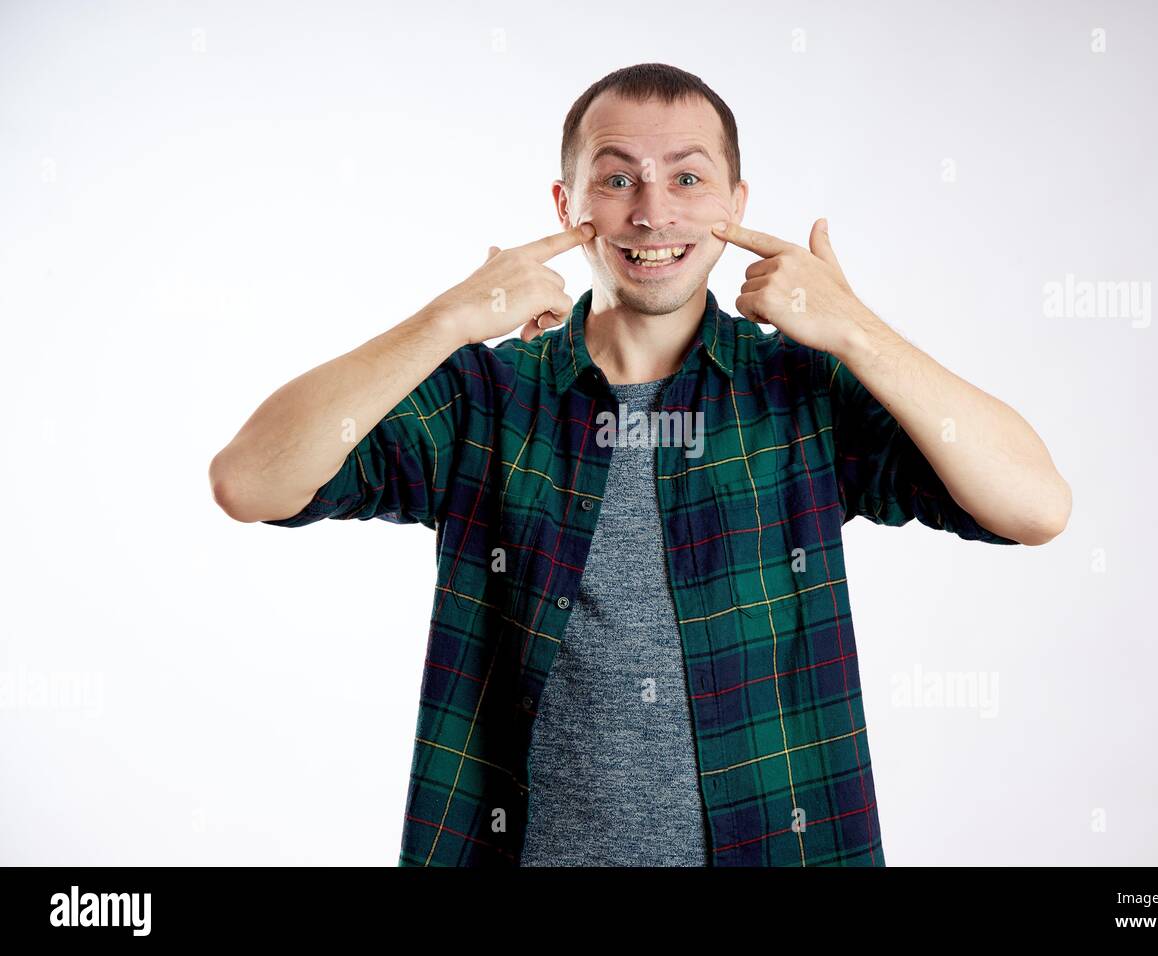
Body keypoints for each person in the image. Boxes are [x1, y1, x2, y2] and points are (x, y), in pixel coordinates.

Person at [208, 62, 1071, 867]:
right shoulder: (487, 398)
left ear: (735, 201)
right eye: (617, 178)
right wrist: (443, 322)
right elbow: (251, 481)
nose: (652, 214)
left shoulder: (798, 391)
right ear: (566, 202)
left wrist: (855, 329)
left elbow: (1035, 506)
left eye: (687, 179)